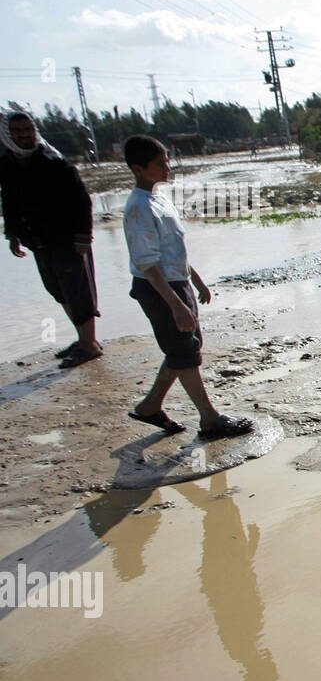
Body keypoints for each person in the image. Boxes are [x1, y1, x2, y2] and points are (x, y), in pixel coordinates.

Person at [121, 135, 253, 439]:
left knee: (184, 348)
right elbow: (147, 264)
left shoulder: (158, 197)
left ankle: (150, 406)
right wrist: (175, 304)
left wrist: (194, 279)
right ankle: (209, 418)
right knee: (184, 350)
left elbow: (171, 248)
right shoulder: (139, 208)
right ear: (138, 169)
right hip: (159, 287)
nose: (167, 167)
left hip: (176, 282)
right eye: (159, 163)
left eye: (167, 160)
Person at [0, 111, 103, 368]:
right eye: (18, 131)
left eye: (28, 129)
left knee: (77, 290)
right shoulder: (9, 163)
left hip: (67, 238)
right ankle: (84, 339)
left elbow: (81, 199)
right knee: (57, 289)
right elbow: (9, 200)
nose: (24, 135)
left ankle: (89, 345)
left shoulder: (53, 161)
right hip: (38, 240)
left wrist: (83, 237)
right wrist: (13, 234)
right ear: (8, 135)